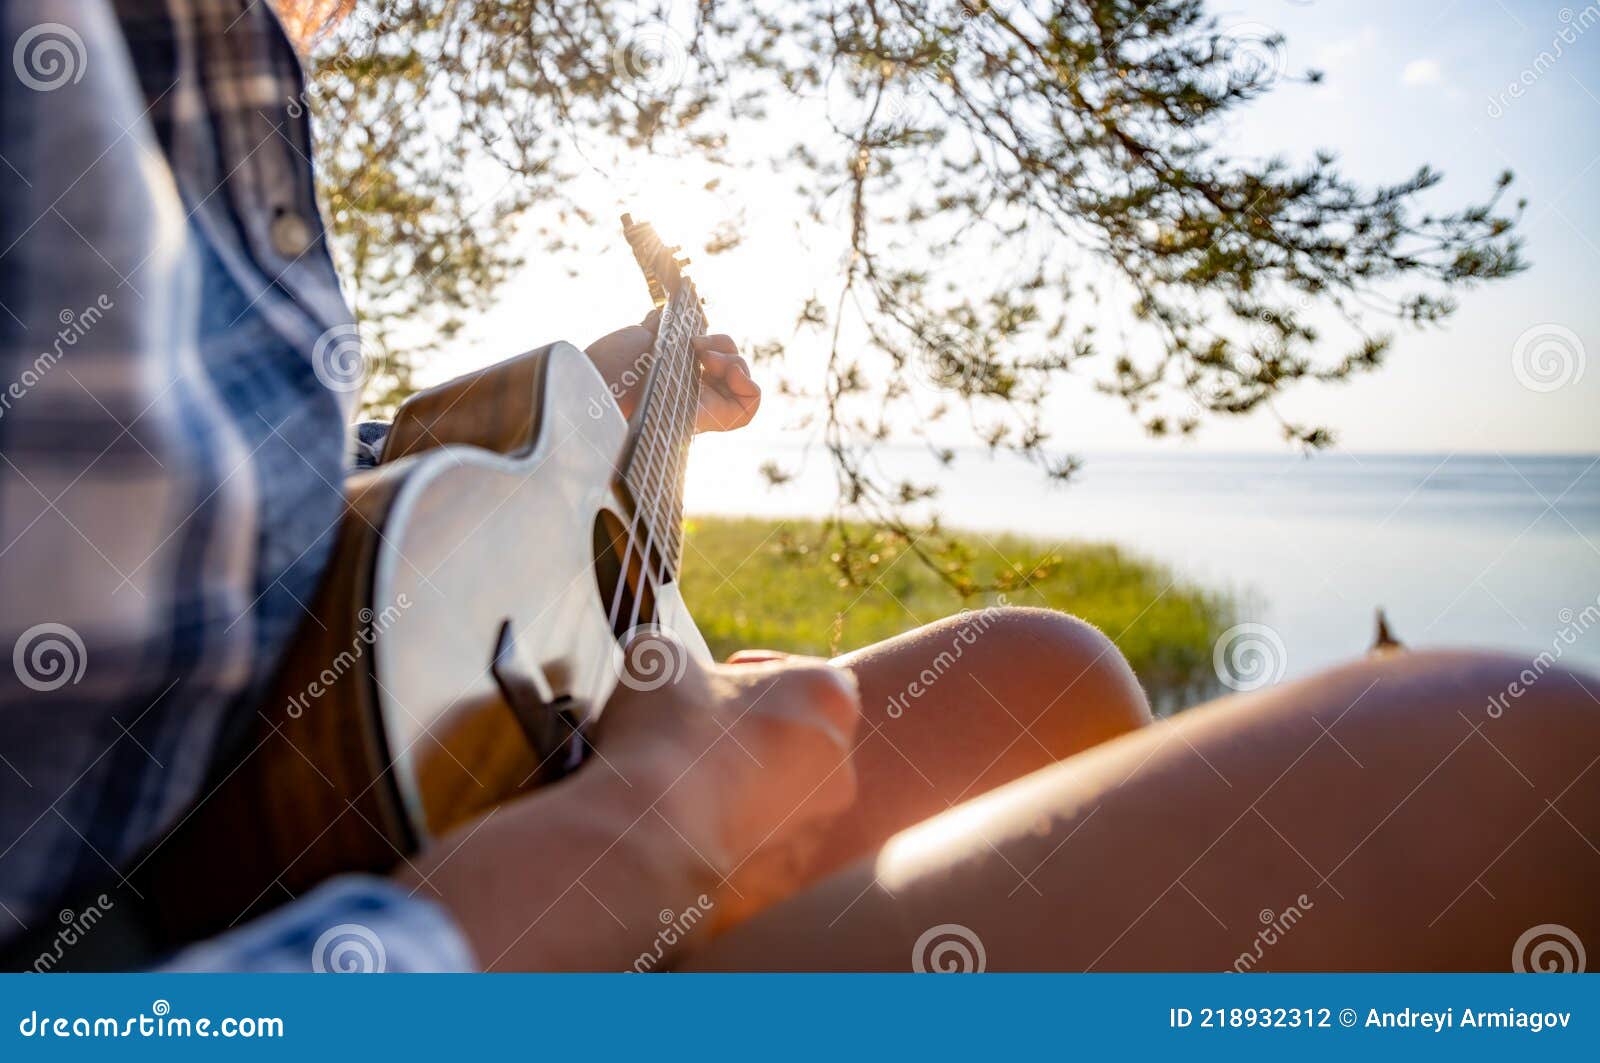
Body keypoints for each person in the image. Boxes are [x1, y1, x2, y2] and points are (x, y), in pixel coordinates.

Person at [0, 0, 1593, 974]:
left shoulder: (215, 69)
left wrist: (594, 441)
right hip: (248, 950)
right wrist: (621, 839)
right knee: (1505, 769)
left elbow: (258, 527)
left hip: (336, 808)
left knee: (1033, 684)